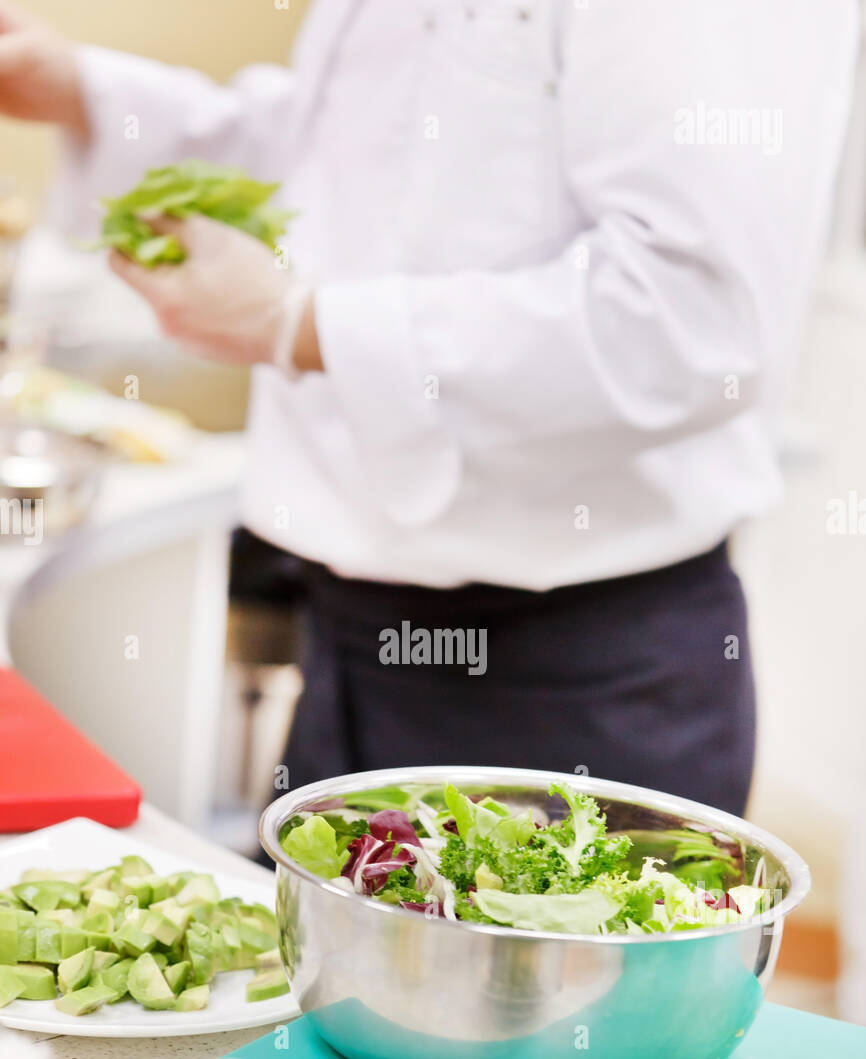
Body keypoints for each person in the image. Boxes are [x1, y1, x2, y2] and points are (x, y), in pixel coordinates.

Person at [0, 0, 857, 813]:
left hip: (570, 678)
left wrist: (304, 324)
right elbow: (356, 150)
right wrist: (83, 92)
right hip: (355, 640)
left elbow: (693, 319)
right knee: (307, 968)